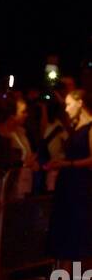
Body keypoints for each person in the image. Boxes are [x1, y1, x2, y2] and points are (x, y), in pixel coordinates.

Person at [45, 88, 92, 268]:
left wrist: (68, 164)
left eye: (69, 104)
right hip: (68, 184)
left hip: (81, 186)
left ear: (80, 103)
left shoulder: (89, 128)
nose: (66, 109)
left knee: (77, 231)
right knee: (67, 230)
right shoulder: (74, 127)